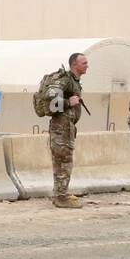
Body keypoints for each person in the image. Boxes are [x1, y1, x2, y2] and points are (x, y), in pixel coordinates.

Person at [44, 53, 89, 208]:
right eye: (84, 63)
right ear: (74, 65)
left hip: (66, 128)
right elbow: (51, 104)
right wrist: (68, 102)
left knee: (61, 163)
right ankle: (61, 198)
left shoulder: (74, 81)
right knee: (64, 163)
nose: (87, 65)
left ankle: (60, 195)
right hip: (61, 129)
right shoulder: (65, 80)